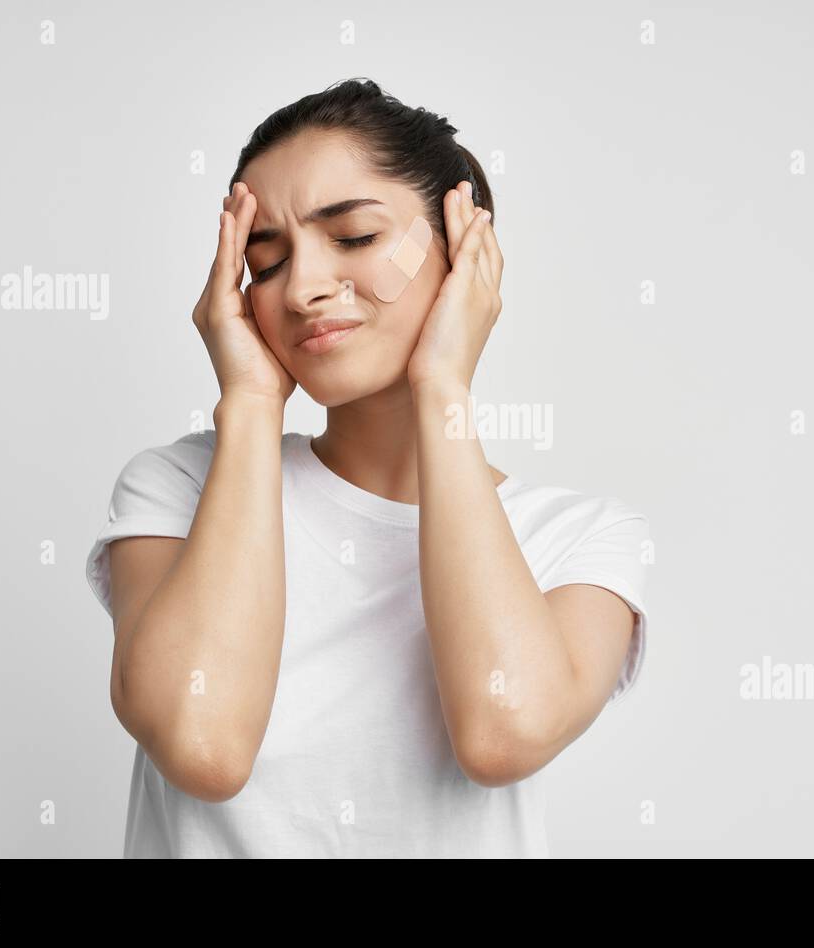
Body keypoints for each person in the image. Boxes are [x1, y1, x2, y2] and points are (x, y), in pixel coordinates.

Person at [84, 78, 651, 857]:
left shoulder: (577, 540)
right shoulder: (179, 490)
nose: (305, 287)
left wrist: (444, 387)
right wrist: (250, 403)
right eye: (268, 259)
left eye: (352, 238)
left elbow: (502, 733)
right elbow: (203, 743)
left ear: (465, 252)